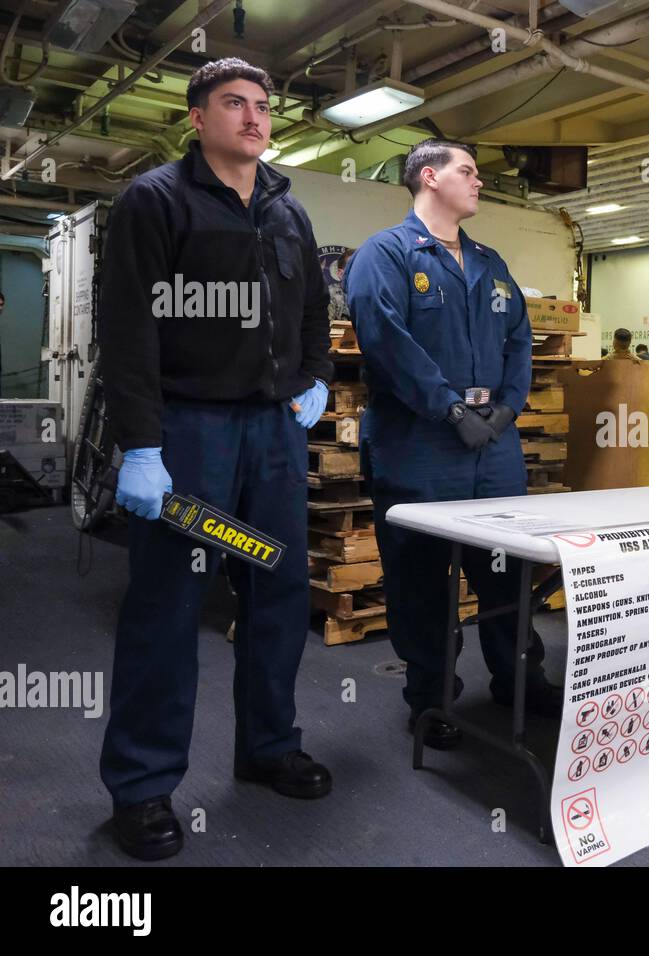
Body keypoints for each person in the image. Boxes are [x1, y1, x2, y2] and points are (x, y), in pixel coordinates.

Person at [98, 58, 333, 861]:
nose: (254, 117)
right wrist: (142, 446)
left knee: (279, 591)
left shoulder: (286, 211)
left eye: (263, 106)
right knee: (168, 603)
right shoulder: (155, 201)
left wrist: (317, 380)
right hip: (190, 432)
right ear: (197, 117)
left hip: (272, 435)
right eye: (234, 103)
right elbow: (127, 330)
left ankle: (269, 746)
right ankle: (142, 785)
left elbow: (312, 309)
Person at [345, 139, 562, 752]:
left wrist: (507, 409)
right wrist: (447, 407)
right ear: (429, 177)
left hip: (491, 446)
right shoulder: (384, 255)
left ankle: (520, 680)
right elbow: (386, 342)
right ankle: (432, 700)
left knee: (506, 573)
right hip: (420, 445)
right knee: (421, 581)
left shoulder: (491, 263)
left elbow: (521, 338)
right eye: (468, 171)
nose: (479, 182)